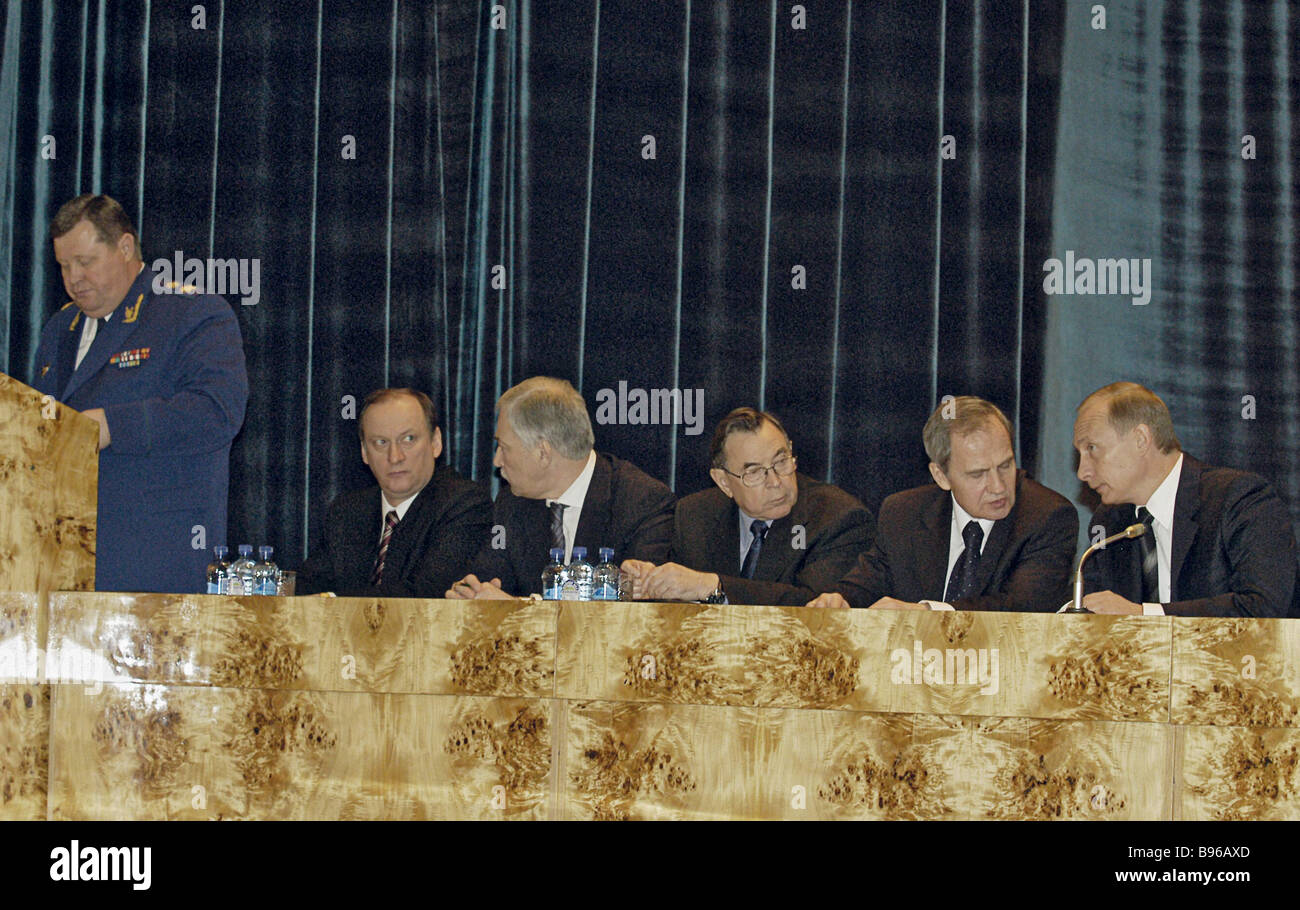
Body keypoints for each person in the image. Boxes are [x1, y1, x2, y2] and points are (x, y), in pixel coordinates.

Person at [32, 194, 248, 593]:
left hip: (154, 560)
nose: (73, 278)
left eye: (85, 262)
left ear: (125, 247)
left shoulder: (191, 312)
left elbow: (218, 412)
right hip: (64, 560)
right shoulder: (59, 330)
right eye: (63, 266)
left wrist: (114, 425)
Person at [808, 396, 1077, 611]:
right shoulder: (904, 513)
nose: (998, 486)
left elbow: (1023, 608)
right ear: (941, 475)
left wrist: (930, 613)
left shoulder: (1047, 516)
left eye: (1005, 465)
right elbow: (869, 581)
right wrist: (840, 599)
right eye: (978, 474)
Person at [1073, 381, 1300, 617]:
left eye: (1092, 448)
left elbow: (1262, 607)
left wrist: (1144, 615)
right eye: (1080, 454)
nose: (1082, 472)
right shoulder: (1110, 523)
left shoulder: (1239, 499)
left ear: (1140, 439)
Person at [446, 376, 675, 599]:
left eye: (504, 447)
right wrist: (470, 593)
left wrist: (517, 610)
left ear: (543, 453)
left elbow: (637, 612)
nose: (497, 462)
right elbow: (486, 577)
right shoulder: (511, 503)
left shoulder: (642, 502)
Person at [620, 407, 874, 605]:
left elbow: (811, 604)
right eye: (754, 473)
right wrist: (651, 581)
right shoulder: (694, 515)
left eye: (781, 461)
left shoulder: (837, 517)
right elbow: (680, 591)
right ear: (723, 482)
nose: (776, 481)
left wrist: (713, 586)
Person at [296, 388, 492, 597]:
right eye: (381, 442)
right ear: (364, 452)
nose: (395, 456)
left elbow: (426, 594)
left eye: (408, 439)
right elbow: (309, 584)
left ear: (435, 443)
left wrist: (331, 602)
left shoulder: (465, 504)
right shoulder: (347, 511)